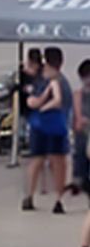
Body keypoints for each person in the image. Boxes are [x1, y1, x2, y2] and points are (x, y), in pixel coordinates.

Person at [24, 47, 70, 214]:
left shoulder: (40, 81)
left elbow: (32, 103)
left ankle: (28, 196)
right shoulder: (62, 82)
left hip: (38, 125)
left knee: (36, 160)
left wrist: (41, 102)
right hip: (57, 126)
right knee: (58, 163)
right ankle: (59, 199)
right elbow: (61, 104)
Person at [72, 59, 90, 195]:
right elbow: (77, 116)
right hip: (82, 131)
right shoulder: (78, 94)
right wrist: (79, 119)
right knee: (80, 152)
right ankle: (79, 180)